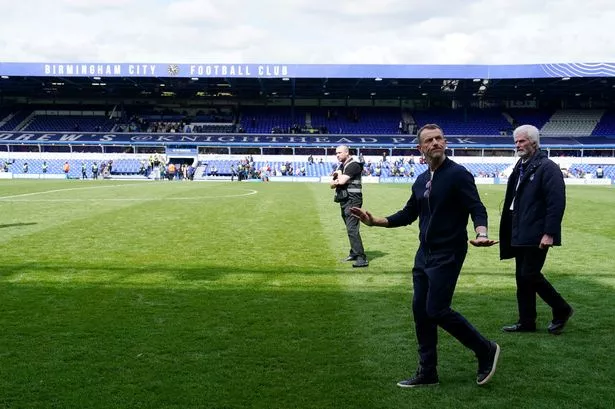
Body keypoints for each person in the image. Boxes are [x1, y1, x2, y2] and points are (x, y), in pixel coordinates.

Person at [350, 124, 500, 387]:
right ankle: (427, 372)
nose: (436, 143)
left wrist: (481, 232)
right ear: (421, 148)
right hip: (424, 255)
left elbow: (476, 207)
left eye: (439, 138)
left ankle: (485, 349)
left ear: (445, 142)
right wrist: (375, 221)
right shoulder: (421, 180)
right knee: (421, 312)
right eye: (429, 140)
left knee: (436, 310)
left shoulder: (458, 174)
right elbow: (408, 214)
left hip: (448, 253)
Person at [499, 124, 573, 335]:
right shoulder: (521, 165)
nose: (518, 145)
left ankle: (562, 309)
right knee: (522, 278)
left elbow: (556, 202)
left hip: (537, 231)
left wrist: (549, 233)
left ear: (534, 141)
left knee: (530, 274)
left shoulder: (547, 167)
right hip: (520, 230)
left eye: (522, 141)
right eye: (516, 142)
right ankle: (526, 321)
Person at [330, 145, 368, 268]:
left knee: (352, 228)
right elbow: (331, 184)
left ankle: (361, 258)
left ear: (347, 153)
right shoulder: (342, 166)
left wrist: (338, 176)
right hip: (345, 199)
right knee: (349, 227)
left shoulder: (353, 165)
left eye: (339, 153)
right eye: (336, 153)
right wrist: (337, 178)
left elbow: (340, 181)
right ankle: (354, 253)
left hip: (353, 200)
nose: (337, 155)